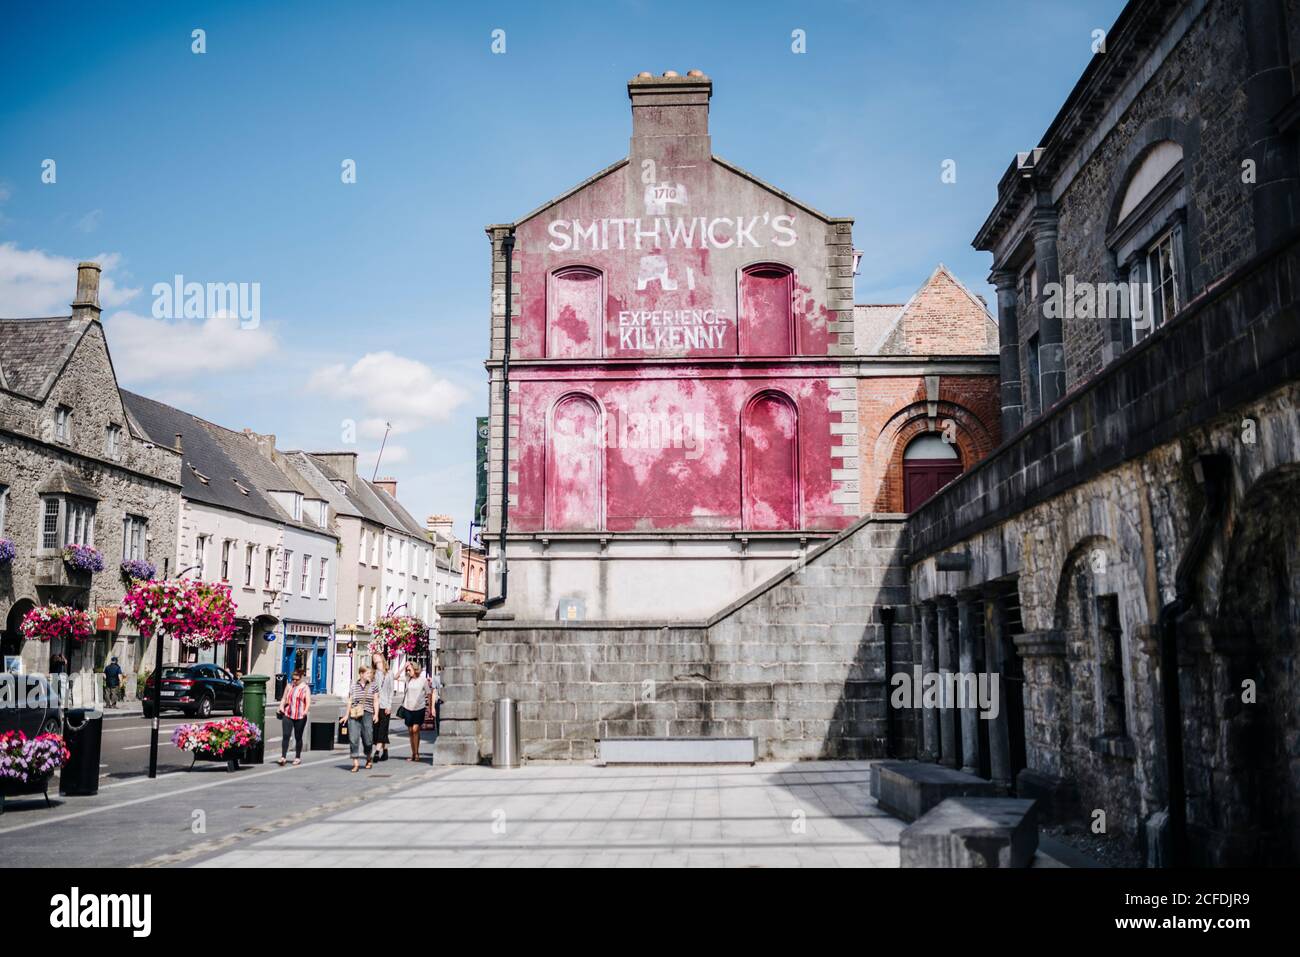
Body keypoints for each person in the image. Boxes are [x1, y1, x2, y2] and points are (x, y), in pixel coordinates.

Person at [346, 665, 379, 773]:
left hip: (367, 713)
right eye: (367, 673)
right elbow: (350, 701)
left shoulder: (373, 685)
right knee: (353, 738)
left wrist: (376, 714)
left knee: (368, 738)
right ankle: (355, 762)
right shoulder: (353, 686)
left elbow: (376, 701)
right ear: (361, 674)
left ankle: (368, 756)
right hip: (354, 714)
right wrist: (346, 715)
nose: (369, 675)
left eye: (370, 673)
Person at [277, 669, 311, 766]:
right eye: (293, 679)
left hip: (300, 715)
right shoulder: (289, 686)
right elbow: (284, 698)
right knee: (286, 735)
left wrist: (305, 711)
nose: (294, 681)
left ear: (301, 678)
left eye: (296, 679)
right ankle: (283, 757)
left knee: (298, 736)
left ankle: (297, 757)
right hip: (288, 713)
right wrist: (281, 706)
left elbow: (308, 701)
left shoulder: (305, 688)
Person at [401, 661, 430, 763]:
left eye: (410, 670)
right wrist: (403, 667)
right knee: (410, 731)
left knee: (415, 729)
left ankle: (417, 753)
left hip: (419, 707)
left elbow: (429, 693)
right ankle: (413, 753)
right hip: (408, 707)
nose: (408, 672)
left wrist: (430, 707)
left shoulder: (423, 680)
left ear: (415, 669)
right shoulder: (408, 679)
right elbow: (395, 677)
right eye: (407, 670)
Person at [371, 653, 394, 762]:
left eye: (376, 656)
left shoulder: (389, 673)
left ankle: (376, 753)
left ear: (381, 658)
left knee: (382, 729)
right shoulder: (373, 674)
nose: (374, 658)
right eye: (373, 657)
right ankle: (385, 751)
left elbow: (391, 691)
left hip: (385, 706)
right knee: (377, 730)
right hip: (375, 706)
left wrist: (389, 705)